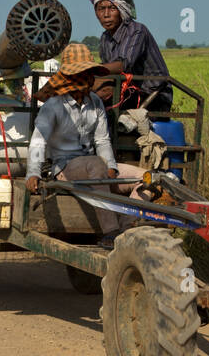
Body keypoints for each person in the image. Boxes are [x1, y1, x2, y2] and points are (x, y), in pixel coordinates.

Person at [25, 43, 141, 246]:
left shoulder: (95, 102)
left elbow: (102, 140)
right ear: (69, 77)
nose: (87, 79)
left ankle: (126, 227)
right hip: (65, 168)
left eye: (88, 73)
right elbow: (38, 141)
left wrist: (111, 167)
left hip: (96, 167)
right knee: (96, 163)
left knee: (149, 178)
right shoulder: (54, 105)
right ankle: (110, 232)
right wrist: (33, 173)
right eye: (81, 74)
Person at [90, 0, 172, 114]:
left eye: (111, 8)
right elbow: (108, 72)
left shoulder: (136, 30)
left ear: (122, 9)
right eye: (101, 9)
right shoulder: (105, 38)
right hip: (125, 90)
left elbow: (124, 65)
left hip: (153, 97)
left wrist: (90, 69)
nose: (106, 15)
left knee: (99, 94)